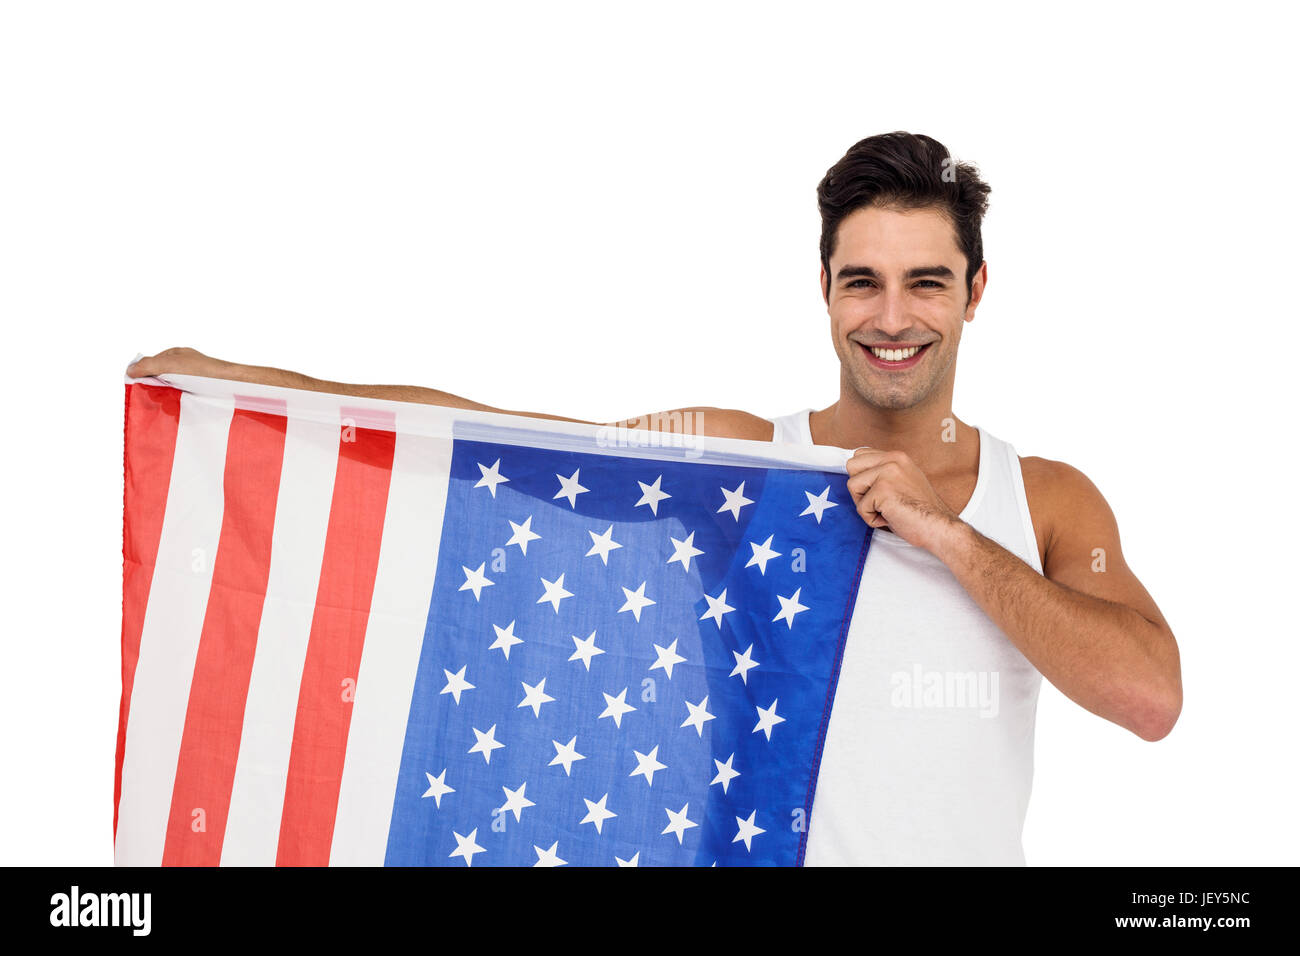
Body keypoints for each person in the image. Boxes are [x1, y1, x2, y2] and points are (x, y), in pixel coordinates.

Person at [126, 130, 1181, 865]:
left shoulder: (1042, 497)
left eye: (925, 281)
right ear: (823, 288)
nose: (891, 315)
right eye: (861, 279)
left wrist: (941, 530)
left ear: (976, 291)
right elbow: (505, 435)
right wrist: (253, 390)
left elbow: (1149, 697)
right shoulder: (740, 458)